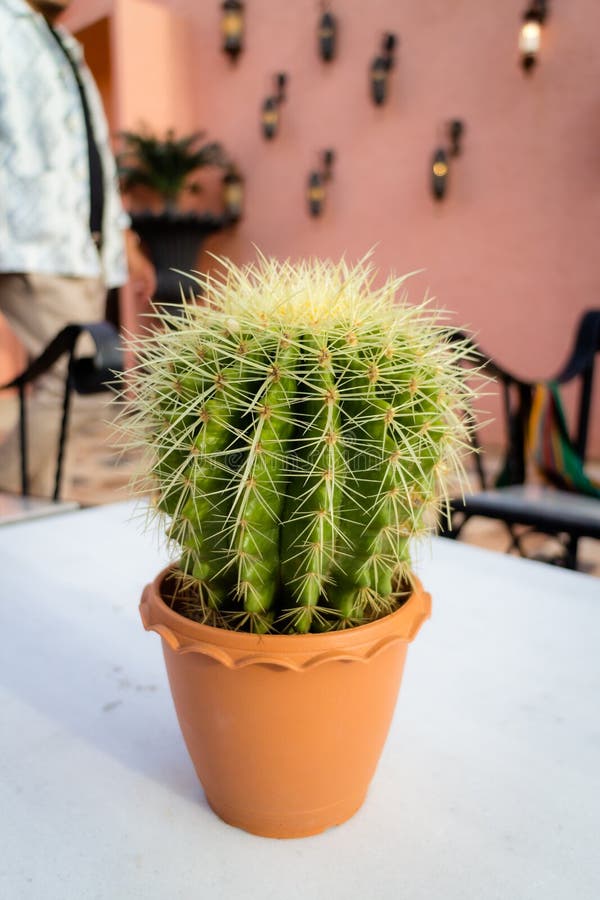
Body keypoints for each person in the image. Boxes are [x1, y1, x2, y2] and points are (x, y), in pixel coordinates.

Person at [0, 0, 156, 496]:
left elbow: (90, 155)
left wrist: (124, 237)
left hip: (83, 246)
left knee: (74, 381)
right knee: (78, 375)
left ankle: (37, 501)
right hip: (33, 242)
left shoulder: (62, 41)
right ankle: (22, 504)